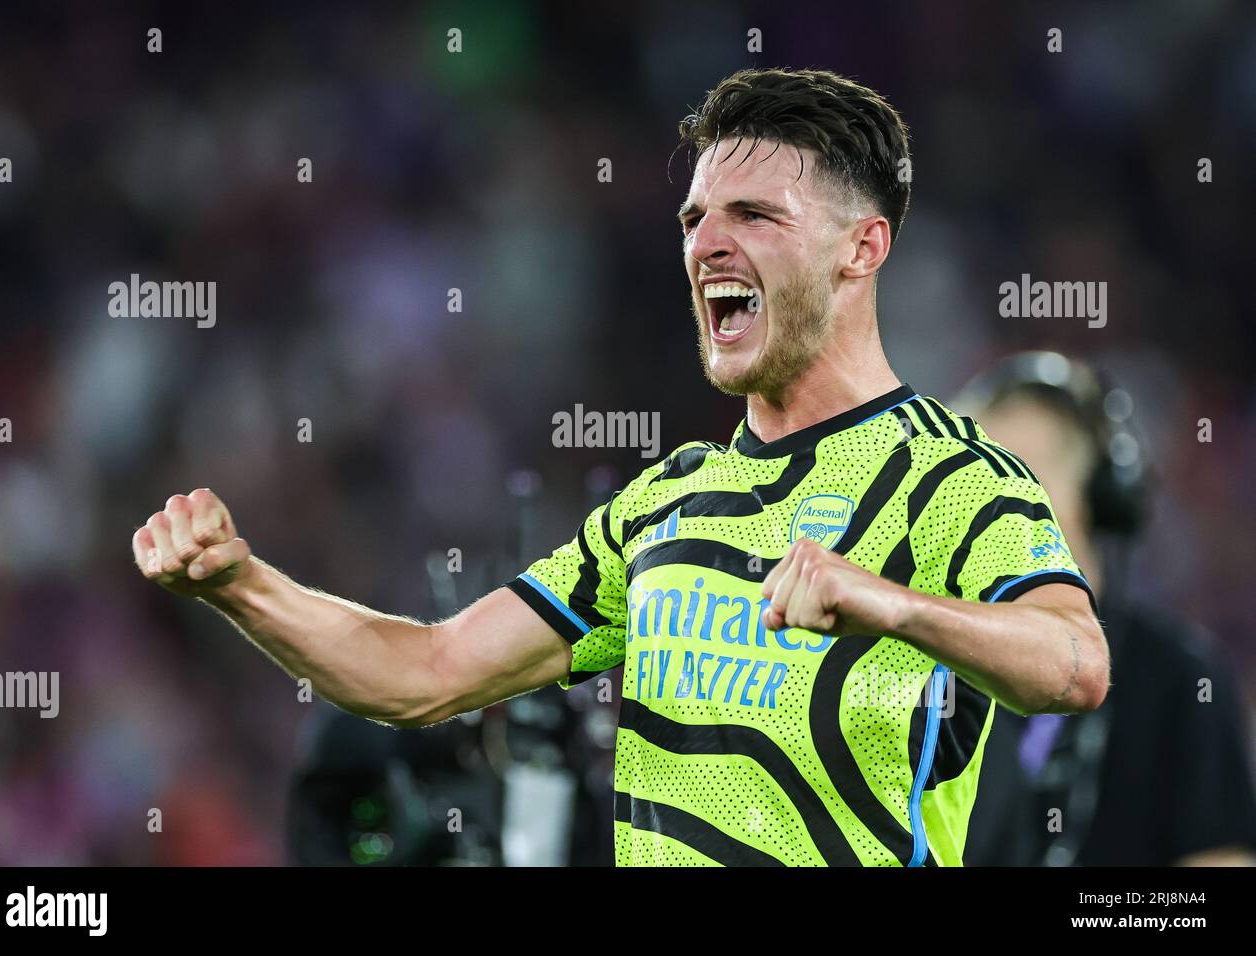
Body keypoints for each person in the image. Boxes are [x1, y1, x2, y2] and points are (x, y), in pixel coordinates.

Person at [131, 68, 1109, 867]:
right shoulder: (665, 502)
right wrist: (241, 584)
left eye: (755, 215)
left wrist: (892, 605)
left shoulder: (955, 479)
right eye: (693, 217)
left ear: (862, 248)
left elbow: (1075, 662)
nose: (705, 244)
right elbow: (424, 671)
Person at [960, 351, 1256, 866]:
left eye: (1018, 478)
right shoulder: (929, 675)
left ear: (1099, 500)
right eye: (974, 481)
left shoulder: (1180, 678)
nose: (990, 505)